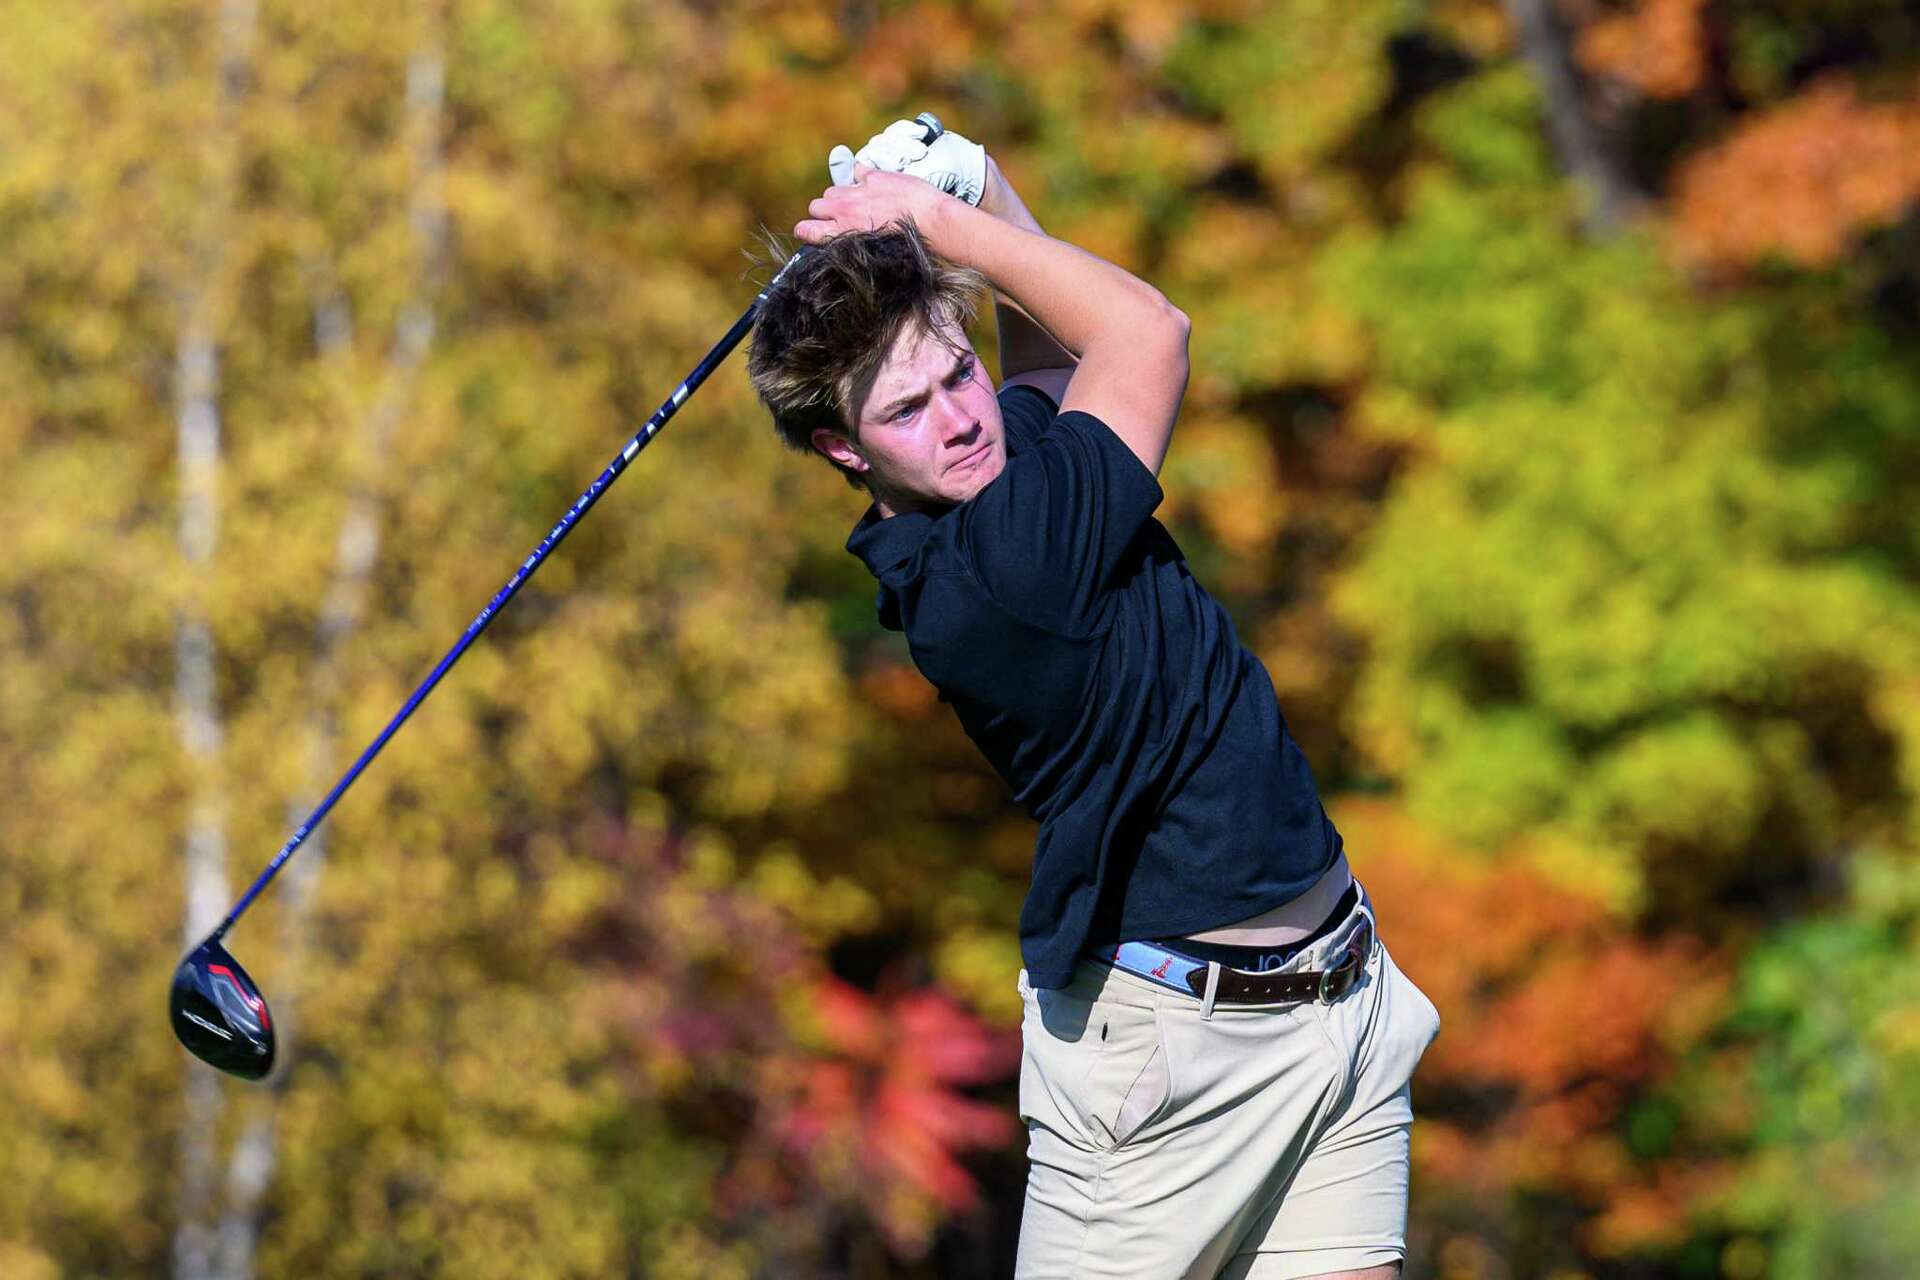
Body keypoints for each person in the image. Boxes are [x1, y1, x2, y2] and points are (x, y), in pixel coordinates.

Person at [747, 119, 1442, 1280]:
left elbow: (1048, 370)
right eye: (907, 409)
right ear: (842, 449)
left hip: (1339, 1002)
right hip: (1169, 1078)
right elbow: (1144, 332)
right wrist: (945, 220)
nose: (962, 417)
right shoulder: (999, 576)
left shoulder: (988, 483)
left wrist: (981, 183)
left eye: (953, 368)